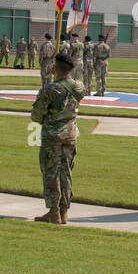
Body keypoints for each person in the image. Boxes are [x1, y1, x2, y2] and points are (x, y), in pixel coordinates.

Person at [30, 52, 86, 224]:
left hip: (52, 136)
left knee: (51, 172)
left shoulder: (51, 89)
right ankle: (64, 211)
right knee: (66, 172)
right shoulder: (79, 87)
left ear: (56, 68)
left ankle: (54, 211)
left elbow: (36, 116)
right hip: (70, 135)